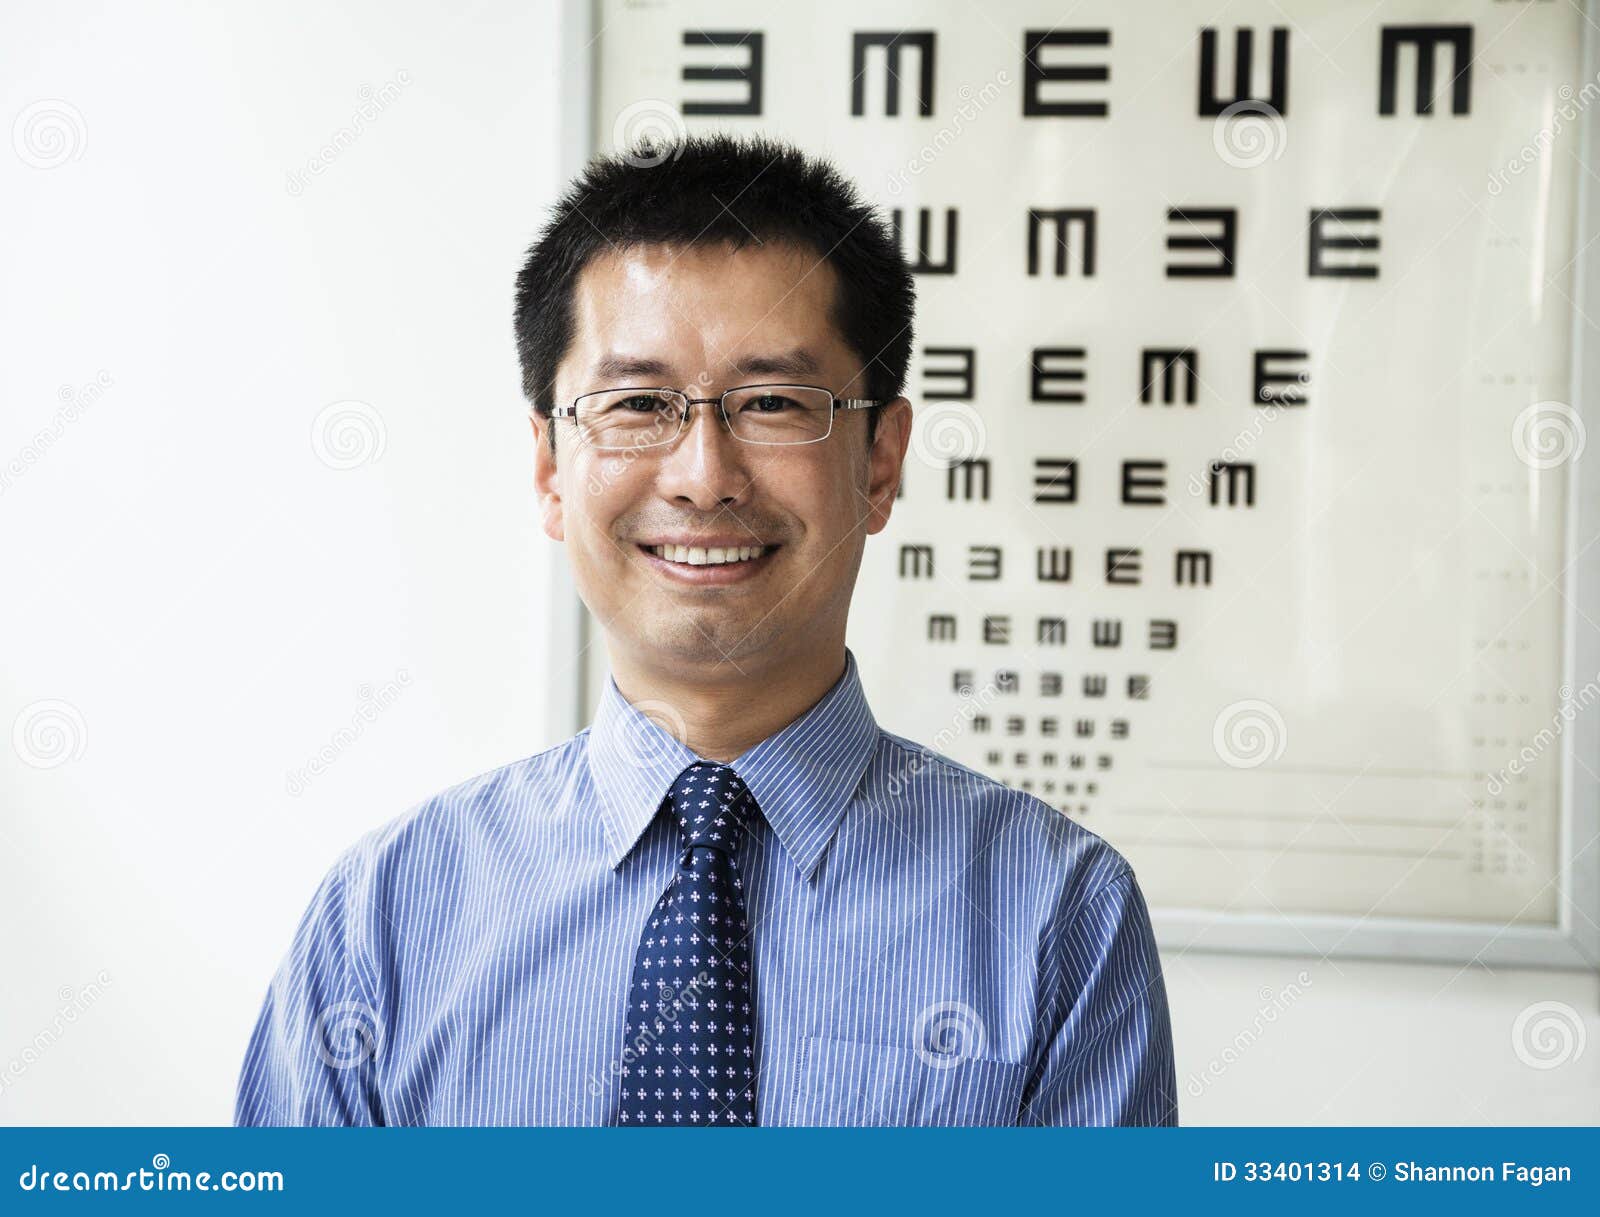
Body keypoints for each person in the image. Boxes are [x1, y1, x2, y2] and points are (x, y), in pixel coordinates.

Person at [235, 133, 1177, 1127]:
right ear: (551, 467)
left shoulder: (1056, 913)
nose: (702, 475)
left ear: (879, 463)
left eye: (771, 402)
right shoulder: (382, 916)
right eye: (639, 403)